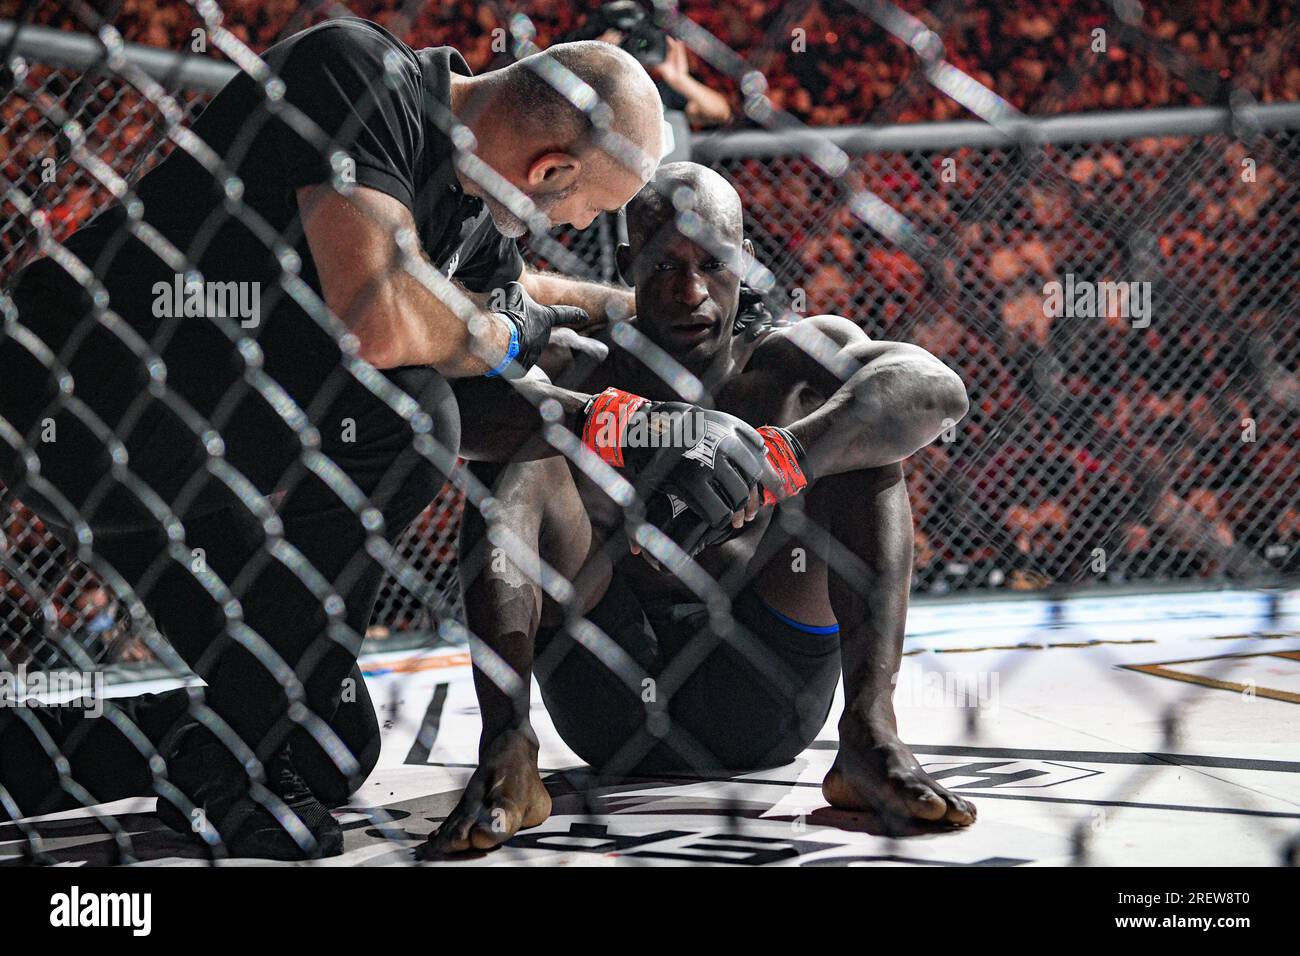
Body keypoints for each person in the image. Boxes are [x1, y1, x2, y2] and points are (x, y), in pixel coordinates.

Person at [0, 16, 670, 860]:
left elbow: (503, 306)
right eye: (585, 208)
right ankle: (225, 762)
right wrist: (505, 336)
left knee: (327, 739)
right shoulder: (361, 74)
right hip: (80, 388)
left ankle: (118, 750)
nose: (572, 225)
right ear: (551, 170)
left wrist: (622, 311)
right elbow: (383, 318)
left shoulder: (471, 213)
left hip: (185, 472)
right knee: (414, 414)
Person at [426, 161, 977, 855]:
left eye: (711, 263)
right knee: (522, 450)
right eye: (662, 264)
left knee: (863, 448)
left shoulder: (787, 364)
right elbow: (446, 411)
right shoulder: (586, 368)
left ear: (743, 261)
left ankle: (870, 733)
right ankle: (507, 746)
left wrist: (781, 458)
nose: (689, 292)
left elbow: (936, 388)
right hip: (606, 695)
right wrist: (612, 425)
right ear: (628, 265)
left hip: (768, 688)